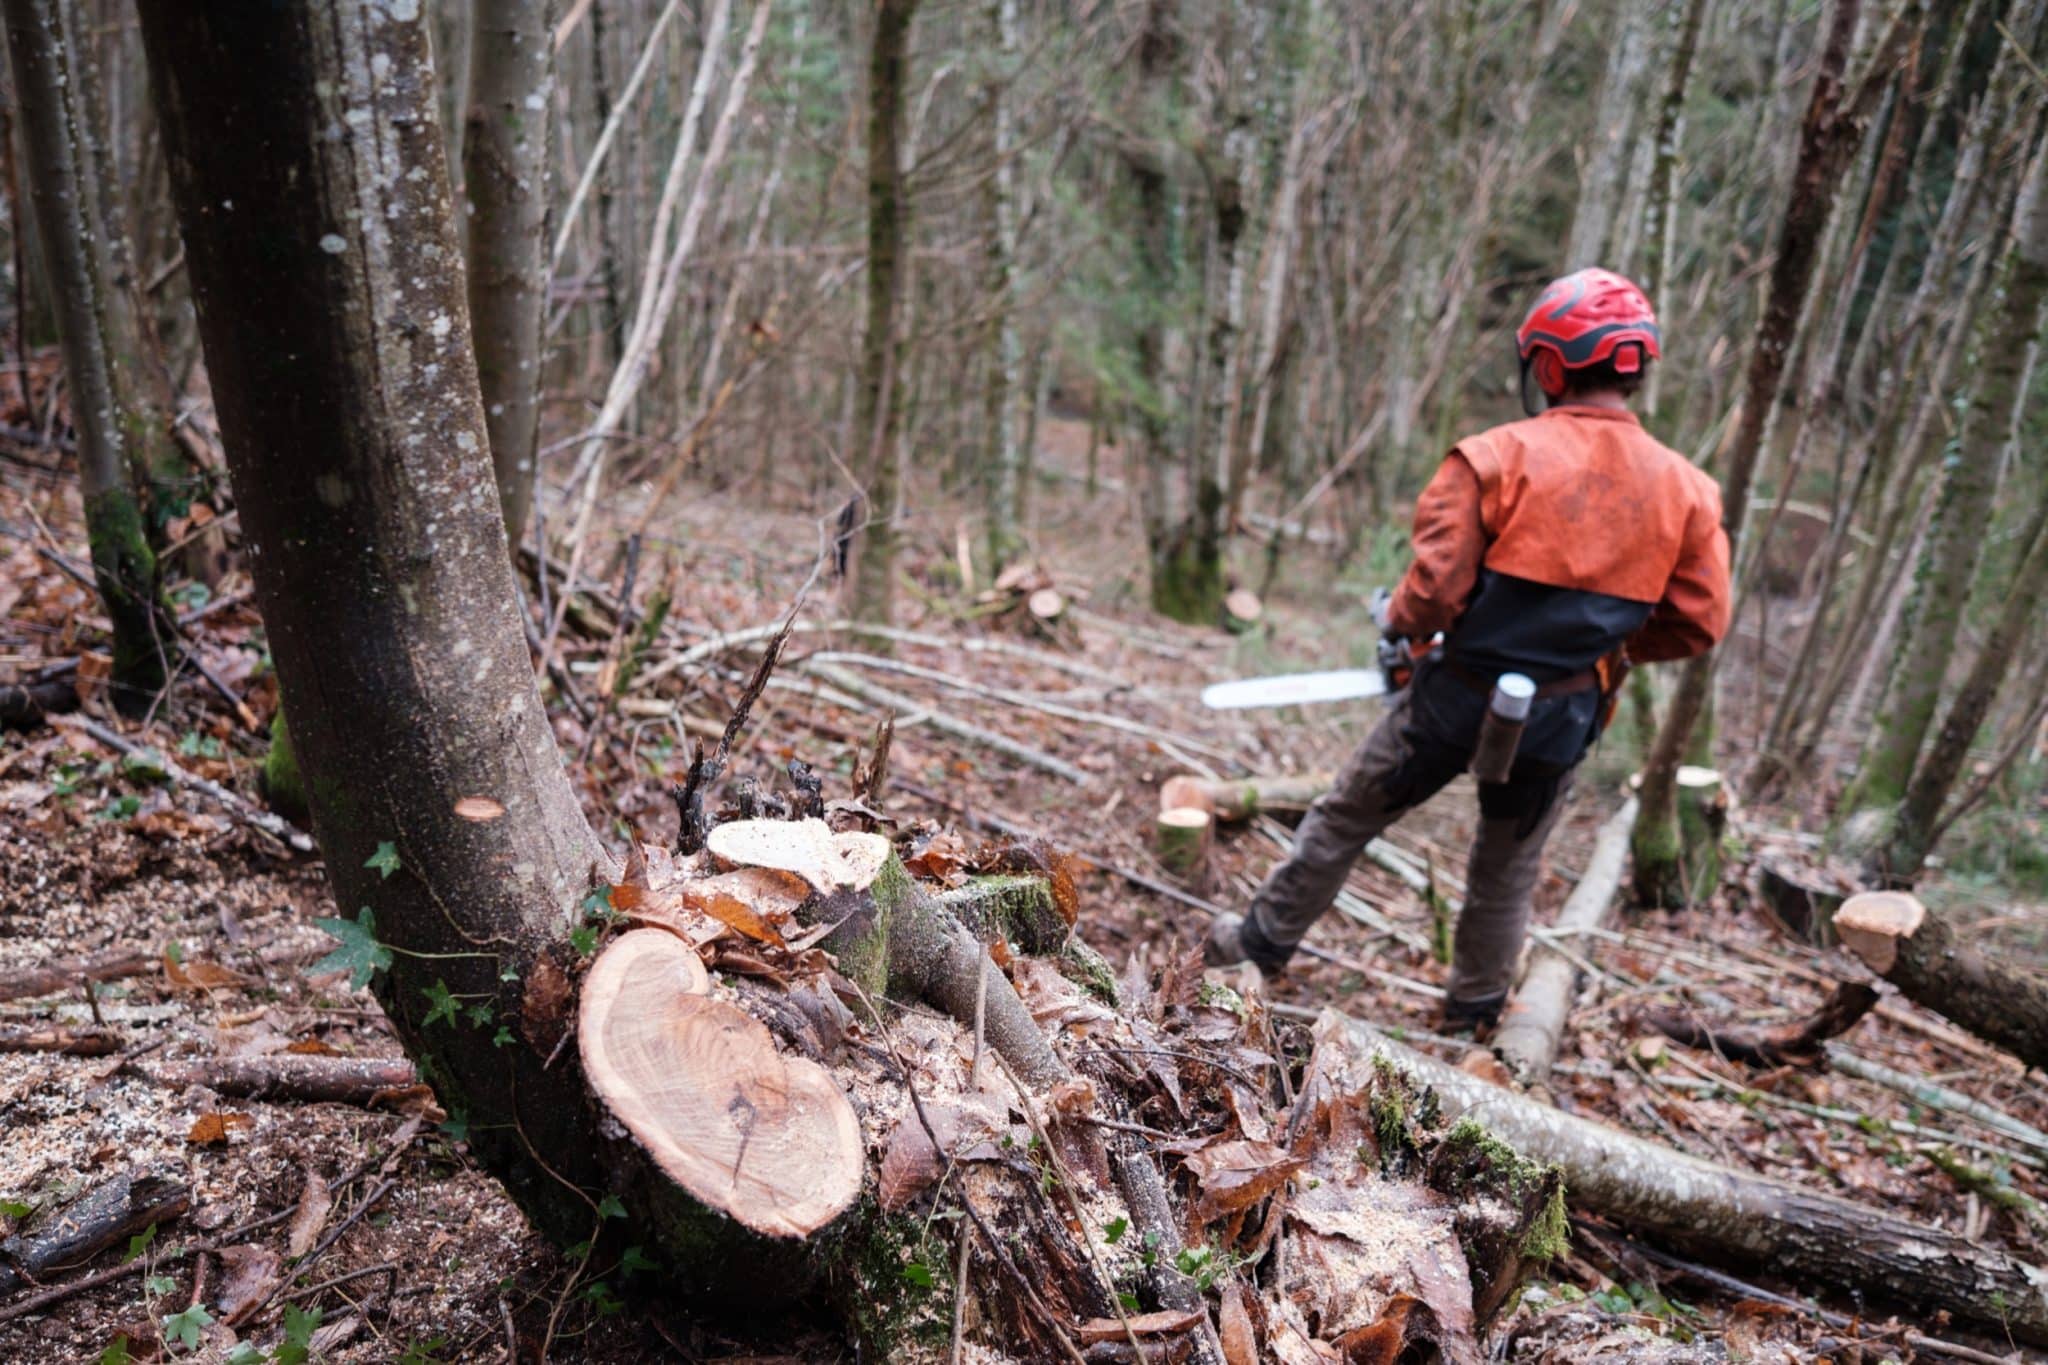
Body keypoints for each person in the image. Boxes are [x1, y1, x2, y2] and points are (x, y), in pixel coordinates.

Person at [1204, 267, 1733, 1032]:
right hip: (1561, 717)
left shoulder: (1491, 459)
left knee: (1345, 816)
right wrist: (1598, 653)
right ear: (1636, 366)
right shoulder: (1687, 490)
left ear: (1548, 365)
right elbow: (1697, 621)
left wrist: (1400, 620)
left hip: (1453, 699)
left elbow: (1434, 594)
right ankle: (1476, 1009)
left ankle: (1257, 943)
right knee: (1507, 869)